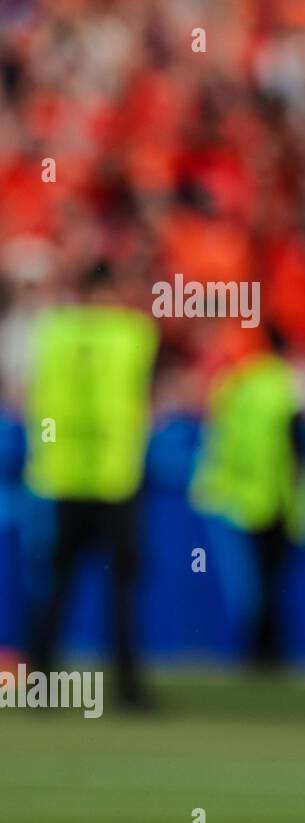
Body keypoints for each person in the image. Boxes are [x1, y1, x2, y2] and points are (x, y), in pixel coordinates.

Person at [24, 261, 158, 707]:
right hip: (114, 477)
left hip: (63, 475)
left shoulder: (55, 333)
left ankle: (42, 685)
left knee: (59, 583)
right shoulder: (132, 334)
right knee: (120, 587)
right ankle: (127, 689)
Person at [189, 328, 305, 669]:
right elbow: (300, 443)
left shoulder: (235, 385)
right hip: (279, 496)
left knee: (256, 580)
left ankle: (256, 649)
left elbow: (218, 439)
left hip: (241, 497)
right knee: (272, 581)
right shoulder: (288, 384)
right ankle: (269, 651)